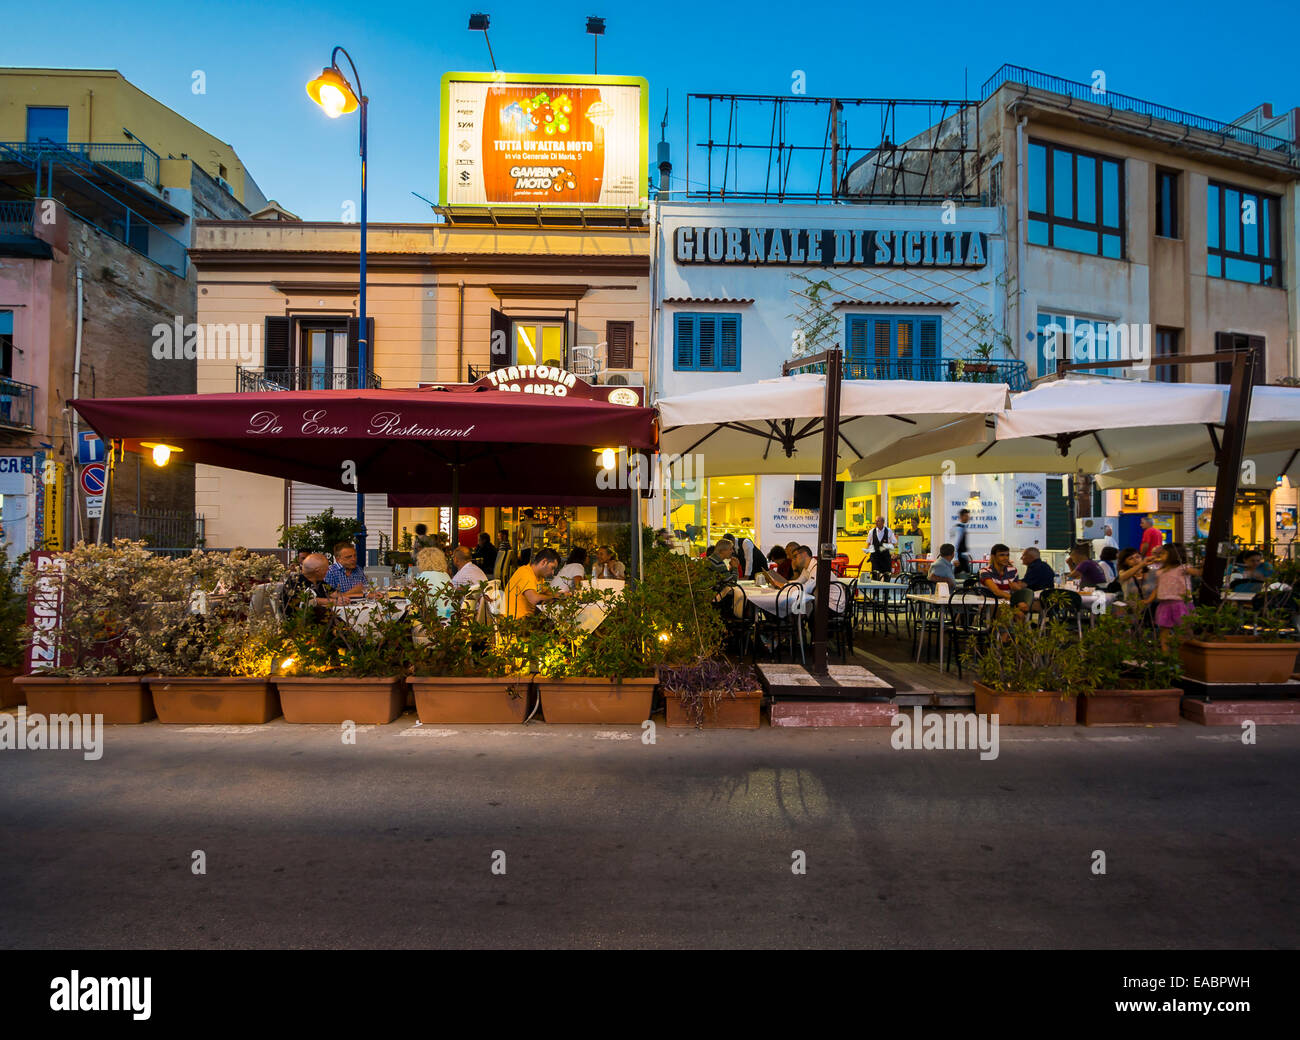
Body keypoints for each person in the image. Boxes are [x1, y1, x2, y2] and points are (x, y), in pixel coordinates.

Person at [1144, 543, 1201, 649]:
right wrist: (1149, 600)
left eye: (1163, 553)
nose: (1160, 556)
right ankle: (1166, 655)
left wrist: (1201, 567)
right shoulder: (1160, 571)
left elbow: (1197, 572)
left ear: (1174, 555)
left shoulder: (1183, 568)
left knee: (1185, 630)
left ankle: (1187, 652)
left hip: (1181, 603)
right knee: (1164, 630)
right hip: (1164, 604)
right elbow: (1157, 587)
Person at [504, 547, 564, 618]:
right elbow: (534, 599)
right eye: (552, 568)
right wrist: (554, 597)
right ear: (544, 562)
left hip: (527, 619)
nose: (552, 573)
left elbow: (546, 592)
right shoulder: (525, 573)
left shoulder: (539, 576)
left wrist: (562, 594)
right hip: (514, 622)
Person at [280, 552, 336, 617]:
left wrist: (343, 598)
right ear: (318, 571)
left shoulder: (319, 581)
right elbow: (306, 600)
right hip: (301, 621)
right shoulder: (294, 582)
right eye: (326, 568)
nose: (328, 570)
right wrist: (331, 601)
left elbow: (334, 594)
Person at [980, 543, 1029, 614]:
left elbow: (1017, 590)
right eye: (1002, 555)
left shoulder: (1013, 570)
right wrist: (1016, 601)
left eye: (1007, 555)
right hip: (990, 603)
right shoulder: (985, 571)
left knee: (1021, 614)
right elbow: (996, 591)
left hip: (1008, 602)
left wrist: (1017, 588)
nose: (1006, 558)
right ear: (993, 557)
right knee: (1014, 614)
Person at [1116, 547, 1157, 615]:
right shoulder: (1123, 573)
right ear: (1124, 562)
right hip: (1131, 610)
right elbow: (1123, 577)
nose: (1135, 560)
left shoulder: (1152, 572)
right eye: (1131, 558)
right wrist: (1142, 564)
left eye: (1137, 557)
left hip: (1151, 609)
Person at [952, 508, 973, 575]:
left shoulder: (962, 527)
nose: (968, 518)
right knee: (960, 576)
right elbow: (956, 543)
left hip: (962, 556)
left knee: (964, 575)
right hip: (960, 558)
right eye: (966, 516)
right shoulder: (959, 528)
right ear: (961, 516)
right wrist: (955, 558)